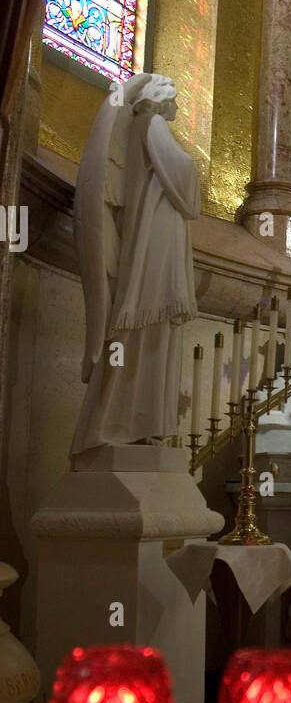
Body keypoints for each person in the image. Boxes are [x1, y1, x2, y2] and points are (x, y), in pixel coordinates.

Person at [71, 73, 201, 456]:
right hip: (155, 236)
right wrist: (193, 170)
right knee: (146, 321)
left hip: (159, 231)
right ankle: (118, 424)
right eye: (175, 95)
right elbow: (182, 172)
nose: (178, 103)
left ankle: (140, 424)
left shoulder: (145, 125)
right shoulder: (153, 123)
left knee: (152, 326)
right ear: (159, 98)